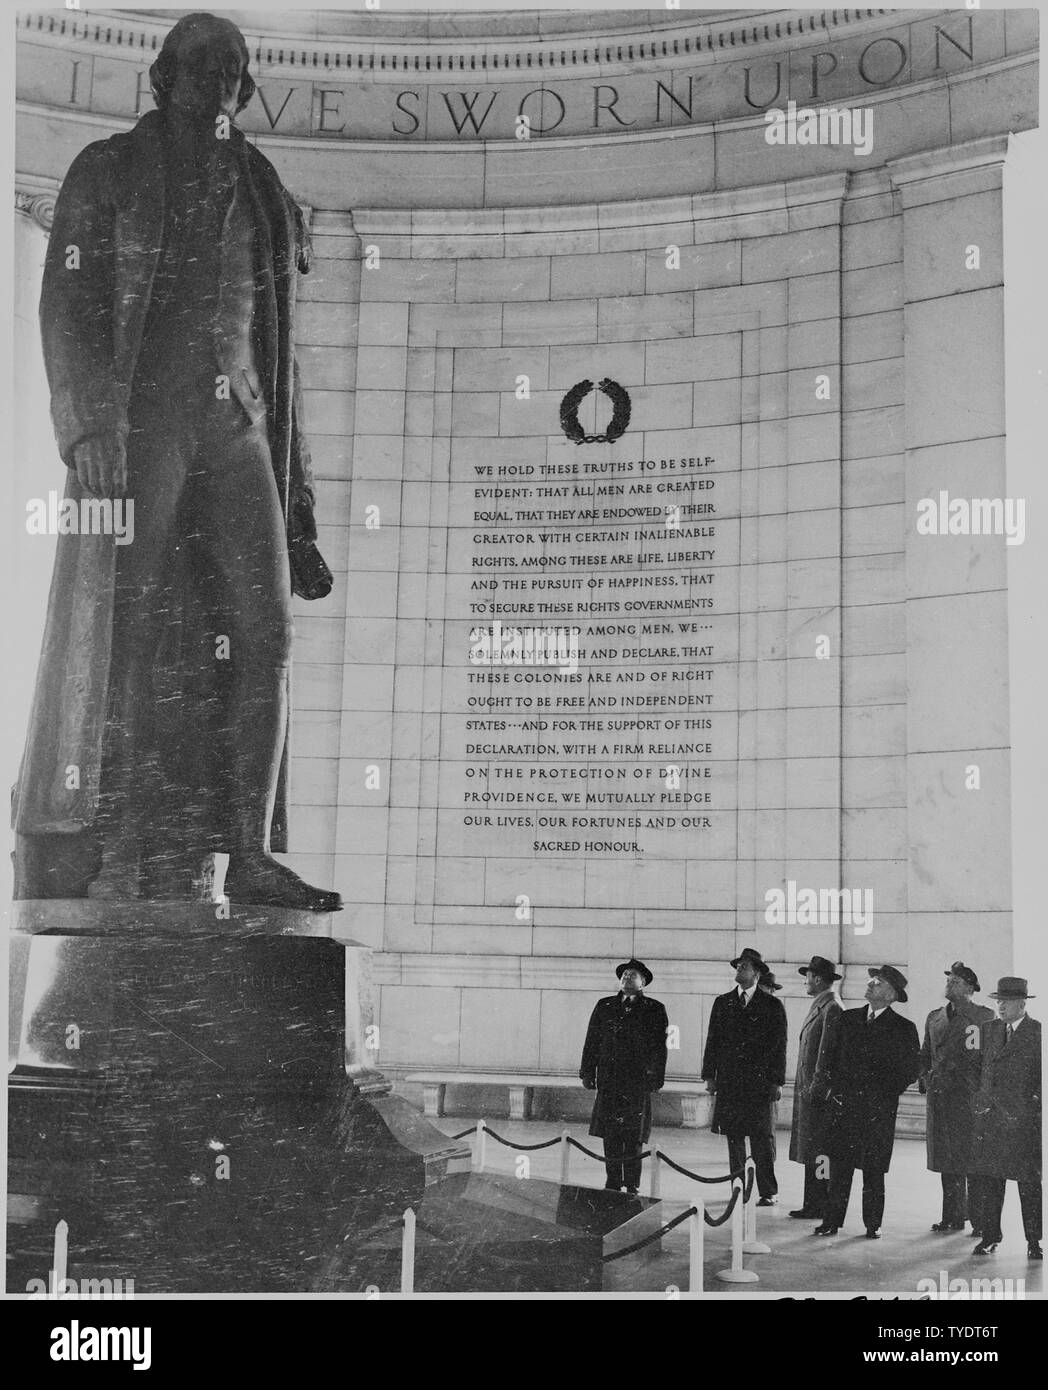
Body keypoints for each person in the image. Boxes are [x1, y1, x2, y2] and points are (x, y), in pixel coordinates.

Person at [17, 12, 340, 911]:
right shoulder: (107, 169)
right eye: (200, 68)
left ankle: (246, 849)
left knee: (266, 633)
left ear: (246, 91)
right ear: (163, 80)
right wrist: (86, 425)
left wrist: (300, 509)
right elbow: (67, 303)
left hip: (237, 430)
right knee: (125, 628)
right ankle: (110, 839)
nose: (218, 85)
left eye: (233, 72)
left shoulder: (263, 188)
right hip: (139, 423)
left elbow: (281, 361)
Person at [816, 965, 919, 1238]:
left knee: (873, 1170)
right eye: (872, 980)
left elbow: (910, 1070)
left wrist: (883, 1094)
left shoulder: (904, 1028)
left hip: (878, 1111)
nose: (871, 984)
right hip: (845, 1106)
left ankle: (872, 1224)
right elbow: (831, 1058)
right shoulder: (848, 1019)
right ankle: (831, 1221)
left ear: (891, 995)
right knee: (839, 1167)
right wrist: (833, 1090)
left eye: (879, 982)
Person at [701, 948, 787, 1206]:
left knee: (761, 1139)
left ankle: (768, 1191)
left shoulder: (772, 1005)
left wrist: (776, 1081)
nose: (739, 970)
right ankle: (737, 1188)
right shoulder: (722, 1002)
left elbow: (779, 1046)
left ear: (757, 973)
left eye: (745, 967)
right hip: (729, 1081)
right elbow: (712, 1041)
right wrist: (710, 1076)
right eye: (738, 966)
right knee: (734, 1138)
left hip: (759, 1083)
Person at [580, 959, 668, 1194]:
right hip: (609, 1079)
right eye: (625, 974)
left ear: (643, 982)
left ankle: (631, 1183)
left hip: (636, 1081)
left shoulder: (654, 1008)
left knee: (633, 1134)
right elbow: (592, 1041)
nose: (627, 977)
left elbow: (660, 1047)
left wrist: (656, 1077)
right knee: (610, 1133)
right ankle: (612, 1181)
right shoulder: (605, 1005)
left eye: (633, 975)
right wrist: (587, 1072)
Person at [968, 978, 1042, 1260]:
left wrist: (1031, 1108)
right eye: (998, 1000)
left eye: (1006, 1001)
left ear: (1022, 1004)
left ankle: (1034, 1241)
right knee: (990, 1181)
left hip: (1023, 1123)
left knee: (1028, 1185)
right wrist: (979, 1101)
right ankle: (990, 1236)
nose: (1000, 1005)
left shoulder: (1037, 1032)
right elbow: (978, 1070)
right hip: (990, 1120)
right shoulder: (989, 1030)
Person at [919, 962, 994, 1233]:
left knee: (971, 1160)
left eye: (956, 981)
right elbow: (925, 1054)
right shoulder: (934, 1016)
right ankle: (952, 1216)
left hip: (967, 1097)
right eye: (949, 980)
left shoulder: (983, 1016)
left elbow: (987, 1060)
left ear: (970, 988)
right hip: (940, 1097)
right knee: (946, 1159)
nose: (949, 984)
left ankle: (979, 1221)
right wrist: (925, 1078)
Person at [788, 955, 842, 1220]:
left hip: (817, 1095)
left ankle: (819, 1203)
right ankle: (813, 1202)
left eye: (807, 976)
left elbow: (826, 1054)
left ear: (818, 979)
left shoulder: (831, 1008)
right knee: (813, 1149)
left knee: (820, 1150)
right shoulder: (821, 1005)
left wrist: (817, 1089)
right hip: (810, 1091)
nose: (806, 982)